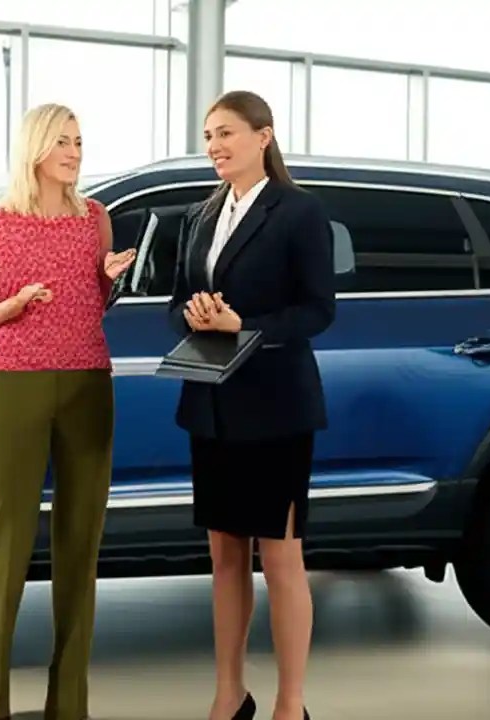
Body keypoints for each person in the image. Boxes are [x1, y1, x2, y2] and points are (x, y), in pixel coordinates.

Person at [167, 90, 335, 720]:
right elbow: (177, 298)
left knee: (281, 554)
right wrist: (196, 314)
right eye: (208, 135)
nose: (213, 146)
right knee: (223, 555)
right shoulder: (199, 214)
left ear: (263, 136)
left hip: (277, 407)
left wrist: (246, 323)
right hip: (211, 404)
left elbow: (319, 310)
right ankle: (228, 693)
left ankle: (291, 704)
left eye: (226, 133)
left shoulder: (299, 212)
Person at [0, 103, 135, 720]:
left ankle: (69, 701)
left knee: (80, 539)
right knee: (5, 536)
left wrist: (110, 275)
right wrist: (17, 302)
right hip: (16, 383)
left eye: (79, 141)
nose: (74, 151)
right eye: (63, 141)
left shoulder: (96, 217)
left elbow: (95, 301)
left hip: (89, 380)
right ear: (36, 148)